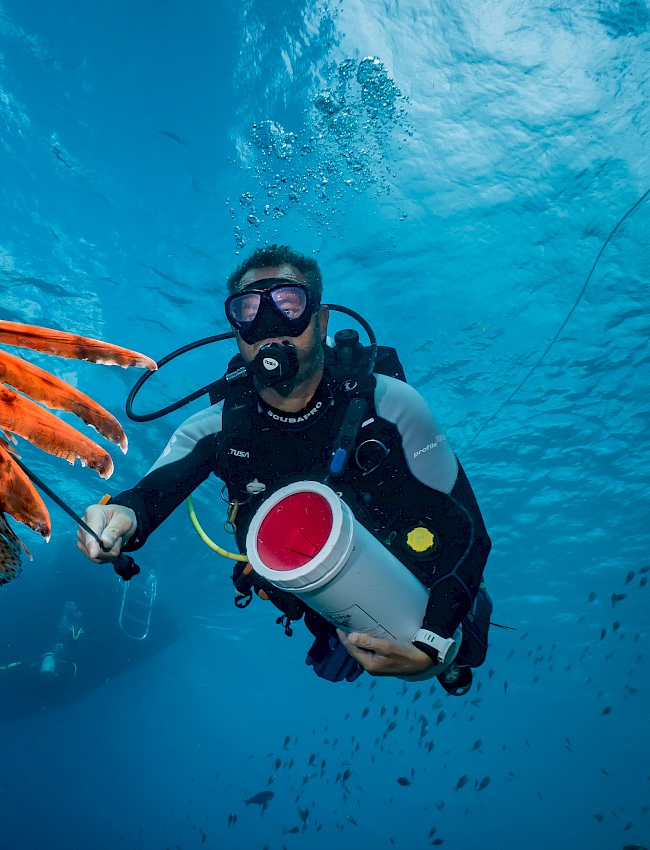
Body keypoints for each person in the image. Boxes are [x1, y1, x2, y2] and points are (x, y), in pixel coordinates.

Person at [76, 245, 492, 693]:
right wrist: (118, 515)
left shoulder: (389, 404)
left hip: (419, 575)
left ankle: (449, 654)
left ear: (321, 320)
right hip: (324, 595)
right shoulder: (217, 427)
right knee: (335, 646)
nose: (269, 328)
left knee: (465, 650)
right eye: (249, 310)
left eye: (289, 305)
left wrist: (432, 644)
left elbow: (468, 530)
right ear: (236, 331)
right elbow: (149, 494)